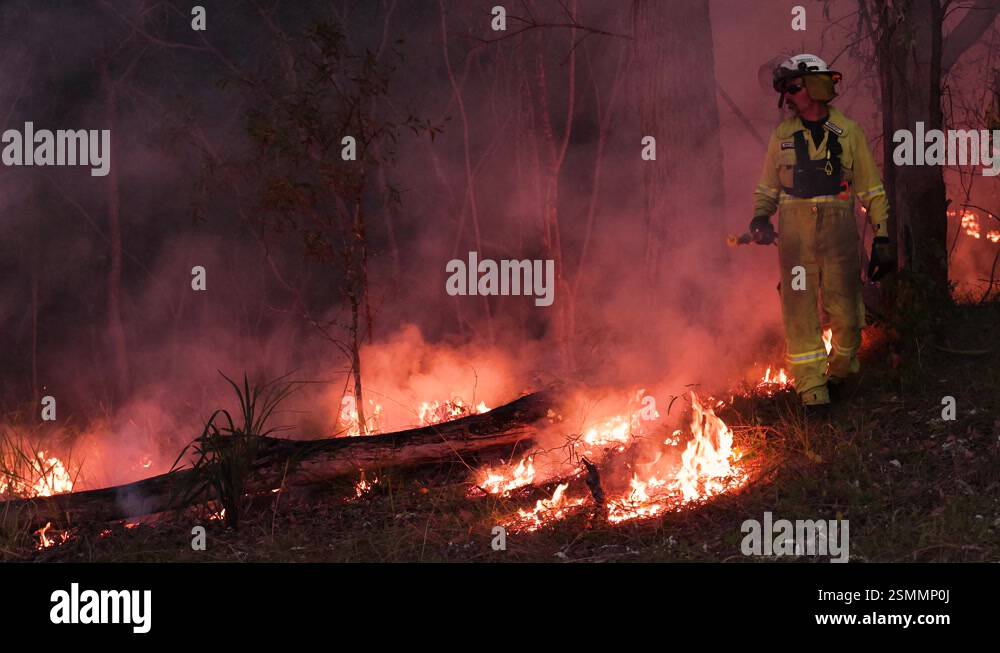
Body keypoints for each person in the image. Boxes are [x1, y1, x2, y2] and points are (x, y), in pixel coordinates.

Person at [750, 54, 895, 409]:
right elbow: (768, 187)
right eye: (784, 90)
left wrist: (883, 237)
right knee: (799, 311)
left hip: (839, 235)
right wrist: (760, 217)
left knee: (846, 312)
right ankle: (813, 391)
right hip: (796, 240)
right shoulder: (782, 136)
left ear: (816, 85)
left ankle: (840, 372)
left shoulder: (848, 133)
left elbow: (872, 190)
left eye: (794, 87)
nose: (788, 97)